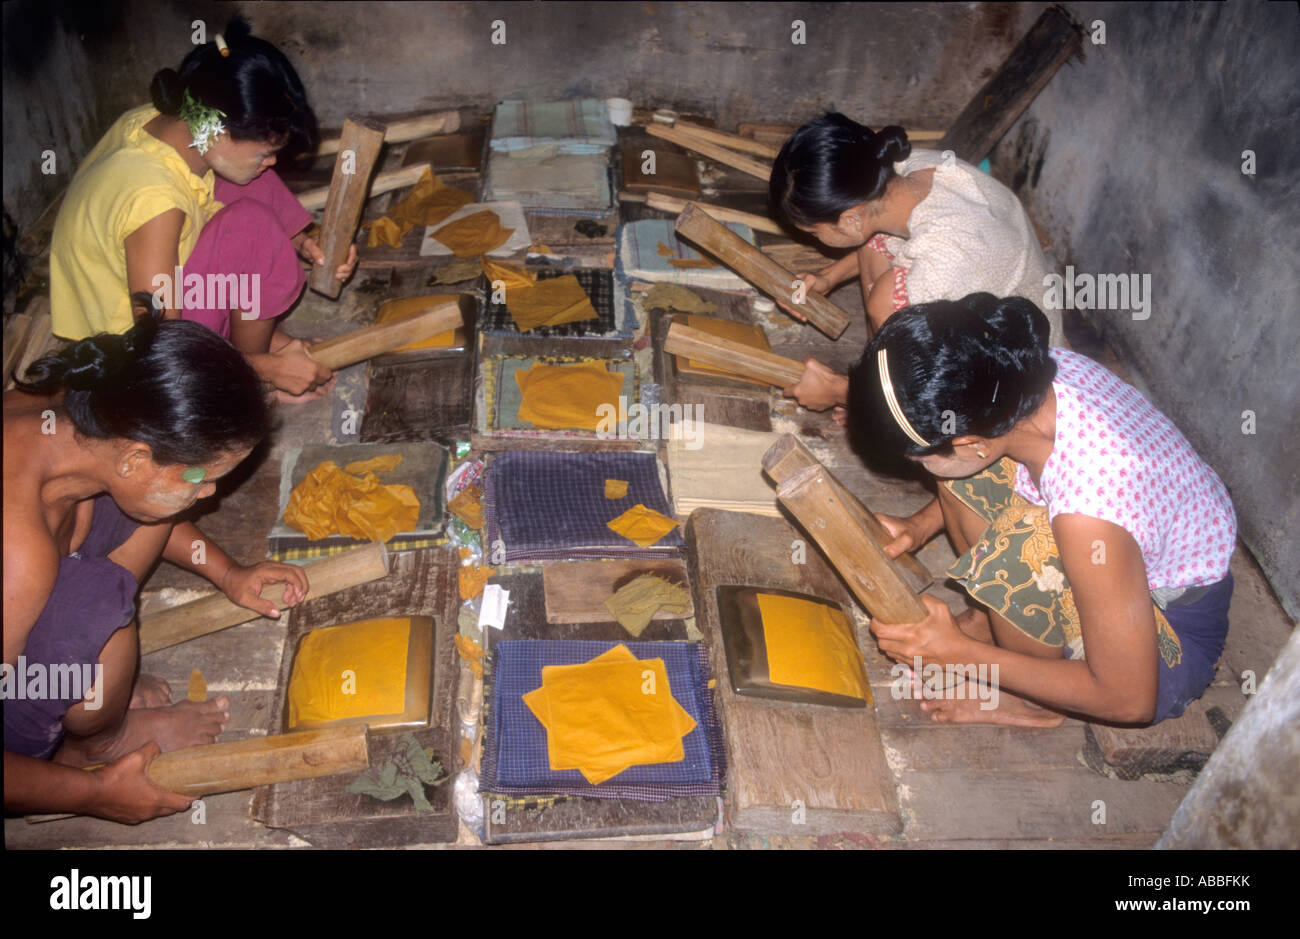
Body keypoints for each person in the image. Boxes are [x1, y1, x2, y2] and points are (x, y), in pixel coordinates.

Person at [847, 293, 1234, 727]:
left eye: (917, 459)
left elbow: (1129, 698)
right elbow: (967, 461)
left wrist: (961, 656)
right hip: (1125, 560)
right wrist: (920, 526)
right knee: (964, 476)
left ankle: (1038, 705)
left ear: (972, 442)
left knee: (1016, 559)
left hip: (1168, 636)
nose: (915, 469)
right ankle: (993, 623)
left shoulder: (1091, 512)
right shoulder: (1018, 376)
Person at [3, 316, 309, 822]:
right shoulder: (17, 554)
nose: (208, 493)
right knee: (99, 604)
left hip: (39, 579)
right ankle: (92, 746)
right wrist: (93, 794)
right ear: (135, 459)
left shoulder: (89, 407)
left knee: (154, 508)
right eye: (202, 478)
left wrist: (228, 573)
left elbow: (156, 501)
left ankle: (98, 697)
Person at [49, 15, 355, 399]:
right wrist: (269, 370)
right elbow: (159, 343)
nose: (273, 162)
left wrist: (305, 238)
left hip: (154, 299)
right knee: (253, 228)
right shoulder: (156, 204)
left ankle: (252, 347)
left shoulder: (162, 121)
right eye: (265, 152)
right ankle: (244, 377)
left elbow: (239, 175)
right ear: (219, 130)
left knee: (244, 181)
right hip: (130, 356)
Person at [768, 113, 1065, 414]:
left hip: (1023, 372)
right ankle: (878, 377)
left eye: (814, 232)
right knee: (876, 254)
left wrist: (840, 393)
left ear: (850, 218)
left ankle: (880, 399)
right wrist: (827, 278)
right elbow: (875, 233)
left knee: (884, 304)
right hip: (992, 301)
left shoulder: (944, 261)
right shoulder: (906, 169)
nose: (813, 239)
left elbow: (931, 384)